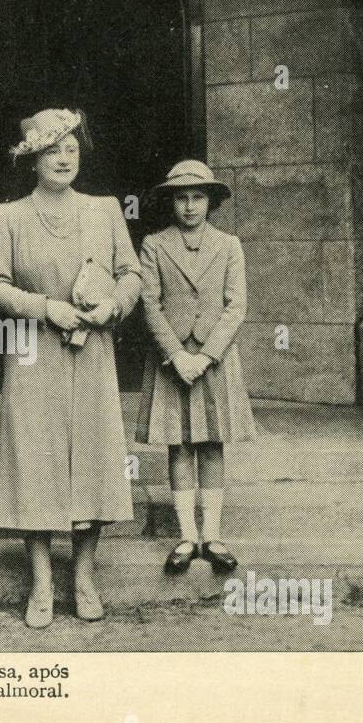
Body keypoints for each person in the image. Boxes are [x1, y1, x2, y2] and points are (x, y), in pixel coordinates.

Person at [0, 109, 142, 629]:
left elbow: (131, 274)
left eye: (71, 147)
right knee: (35, 459)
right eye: (53, 149)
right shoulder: (8, 216)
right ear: (33, 158)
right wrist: (44, 307)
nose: (64, 157)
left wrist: (113, 305)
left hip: (92, 352)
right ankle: (42, 580)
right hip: (32, 352)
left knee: (93, 459)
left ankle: (85, 574)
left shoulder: (105, 210)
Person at [135, 160, 256, 575]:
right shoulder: (154, 244)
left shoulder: (229, 245)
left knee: (212, 442)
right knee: (179, 443)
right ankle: (187, 536)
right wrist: (176, 355)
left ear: (211, 202)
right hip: (172, 358)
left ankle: (213, 536)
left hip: (214, 359)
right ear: (171, 202)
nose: (189, 206)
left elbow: (235, 305)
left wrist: (205, 356)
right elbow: (149, 303)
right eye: (181, 198)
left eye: (197, 197)